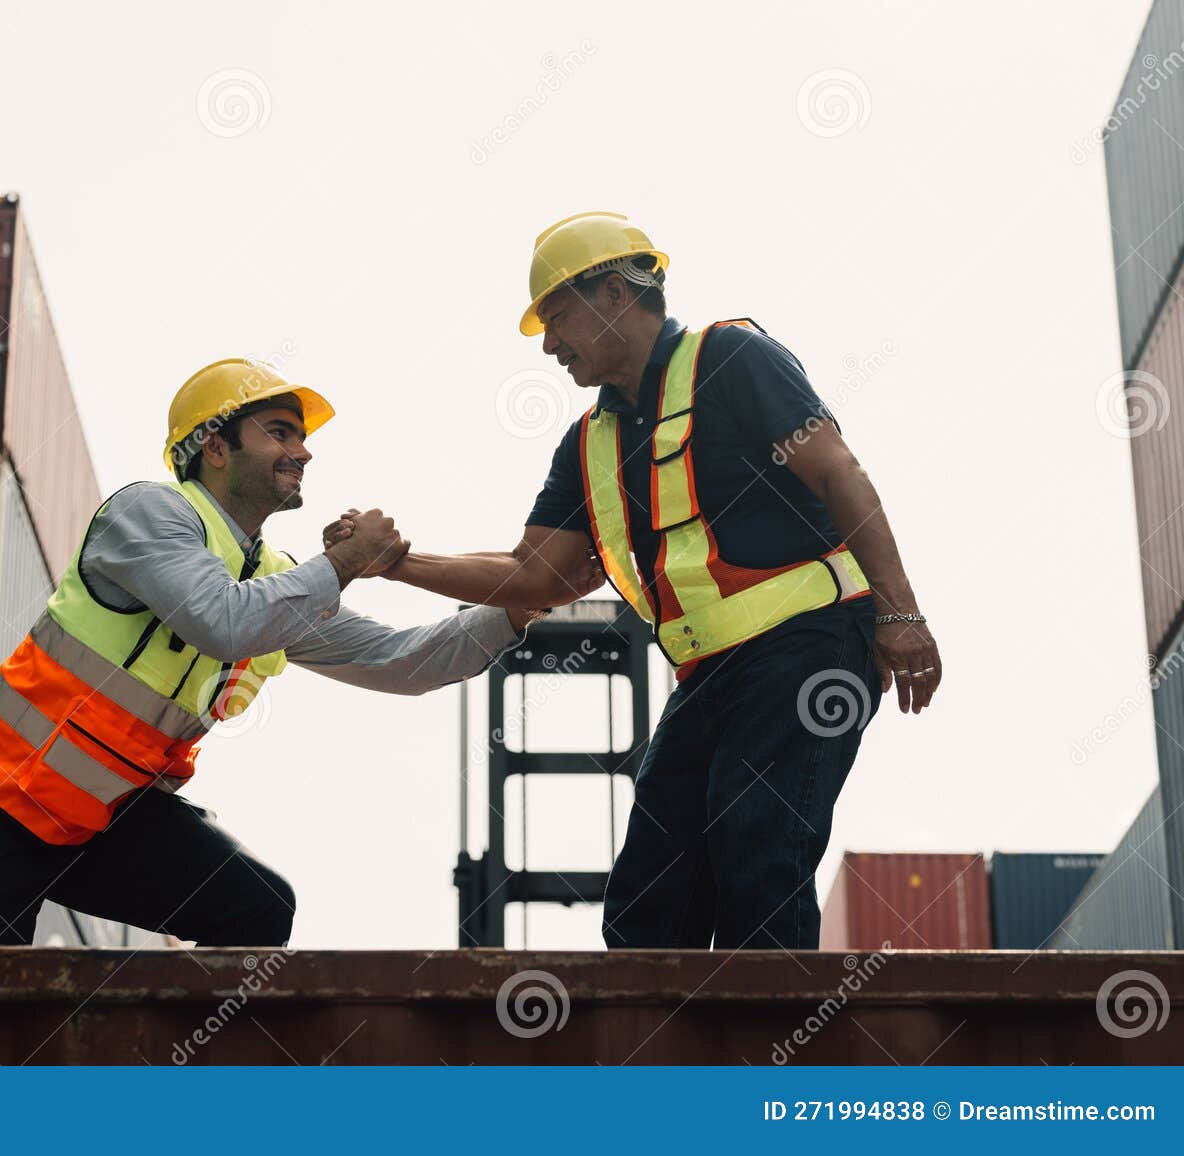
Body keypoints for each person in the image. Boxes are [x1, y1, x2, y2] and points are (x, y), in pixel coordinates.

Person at [325, 211, 940, 950]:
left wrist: (900, 615)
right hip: (708, 678)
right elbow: (537, 573)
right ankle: (653, 1065)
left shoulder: (733, 359)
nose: (549, 345)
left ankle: (780, 1060)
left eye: (557, 319)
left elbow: (839, 471)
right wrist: (394, 563)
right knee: (651, 900)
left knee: (758, 846)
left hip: (809, 645)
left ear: (614, 294)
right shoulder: (588, 442)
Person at [0, 358, 546, 947]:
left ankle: (180, 1065)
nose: (302, 451)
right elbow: (220, 620)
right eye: (279, 432)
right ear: (214, 445)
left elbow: (400, 662)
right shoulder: (146, 514)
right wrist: (345, 562)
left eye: (301, 438)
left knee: (257, 909)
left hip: (102, 823)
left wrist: (519, 606)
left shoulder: (275, 578)